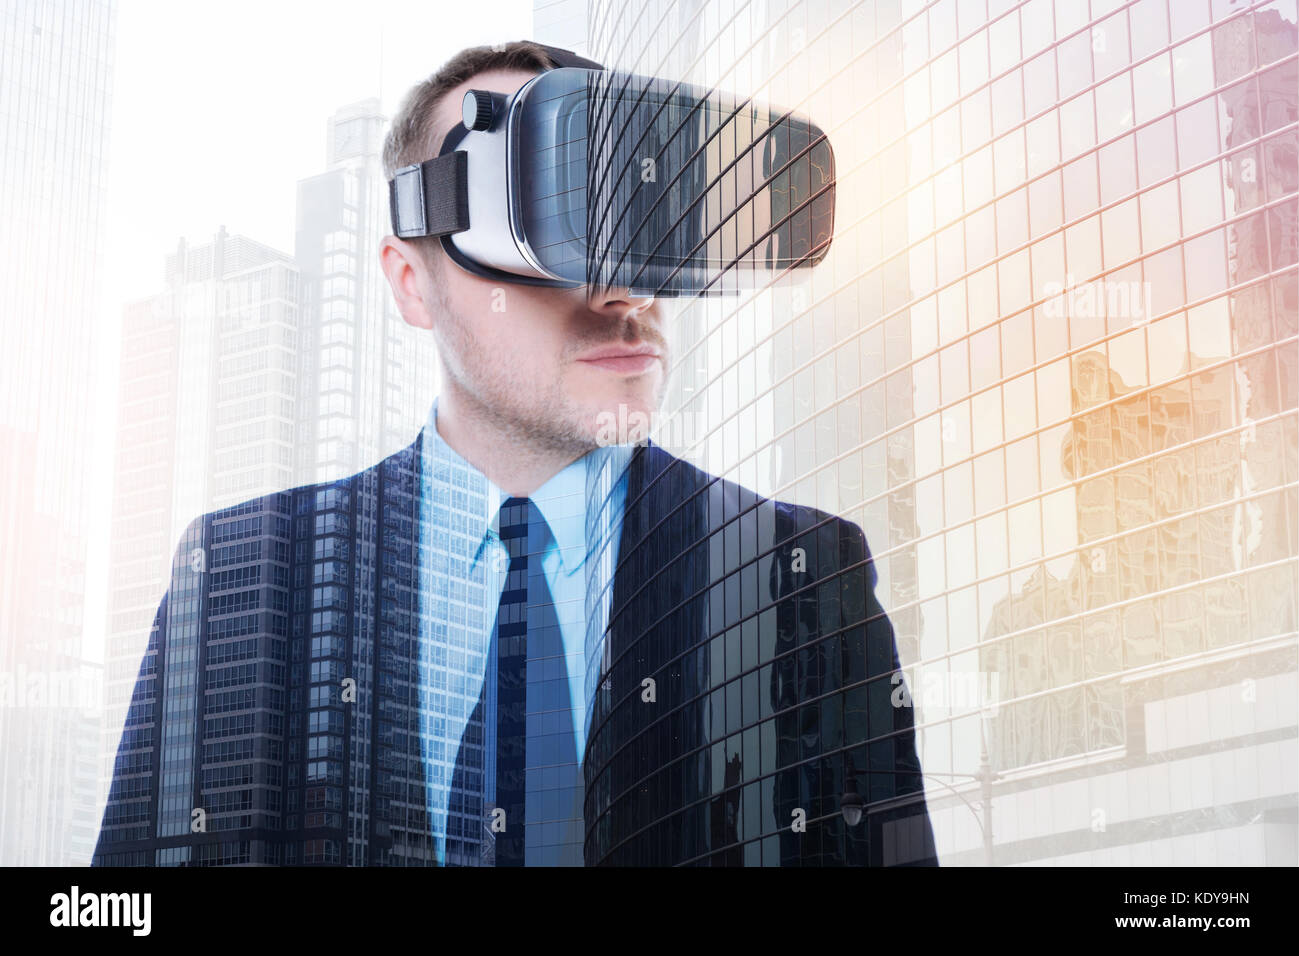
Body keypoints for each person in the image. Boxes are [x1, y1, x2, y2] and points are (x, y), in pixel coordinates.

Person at [94, 40, 938, 867]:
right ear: (410, 283)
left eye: (639, 221)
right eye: (547, 217)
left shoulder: (800, 572)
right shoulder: (245, 575)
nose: (623, 291)